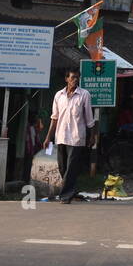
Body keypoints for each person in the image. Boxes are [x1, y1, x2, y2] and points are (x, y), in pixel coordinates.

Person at [42, 68, 96, 204]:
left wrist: (92, 135)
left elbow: (89, 118)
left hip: (77, 137)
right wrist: (48, 137)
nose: (75, 80)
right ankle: (71, 190)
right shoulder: (58, 95)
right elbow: (54, 118)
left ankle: (65, 196)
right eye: (72, 78)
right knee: (62, 167)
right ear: (67, 79)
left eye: (77, 78)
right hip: (61, 136)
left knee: (71, 167)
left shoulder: (84, 95)